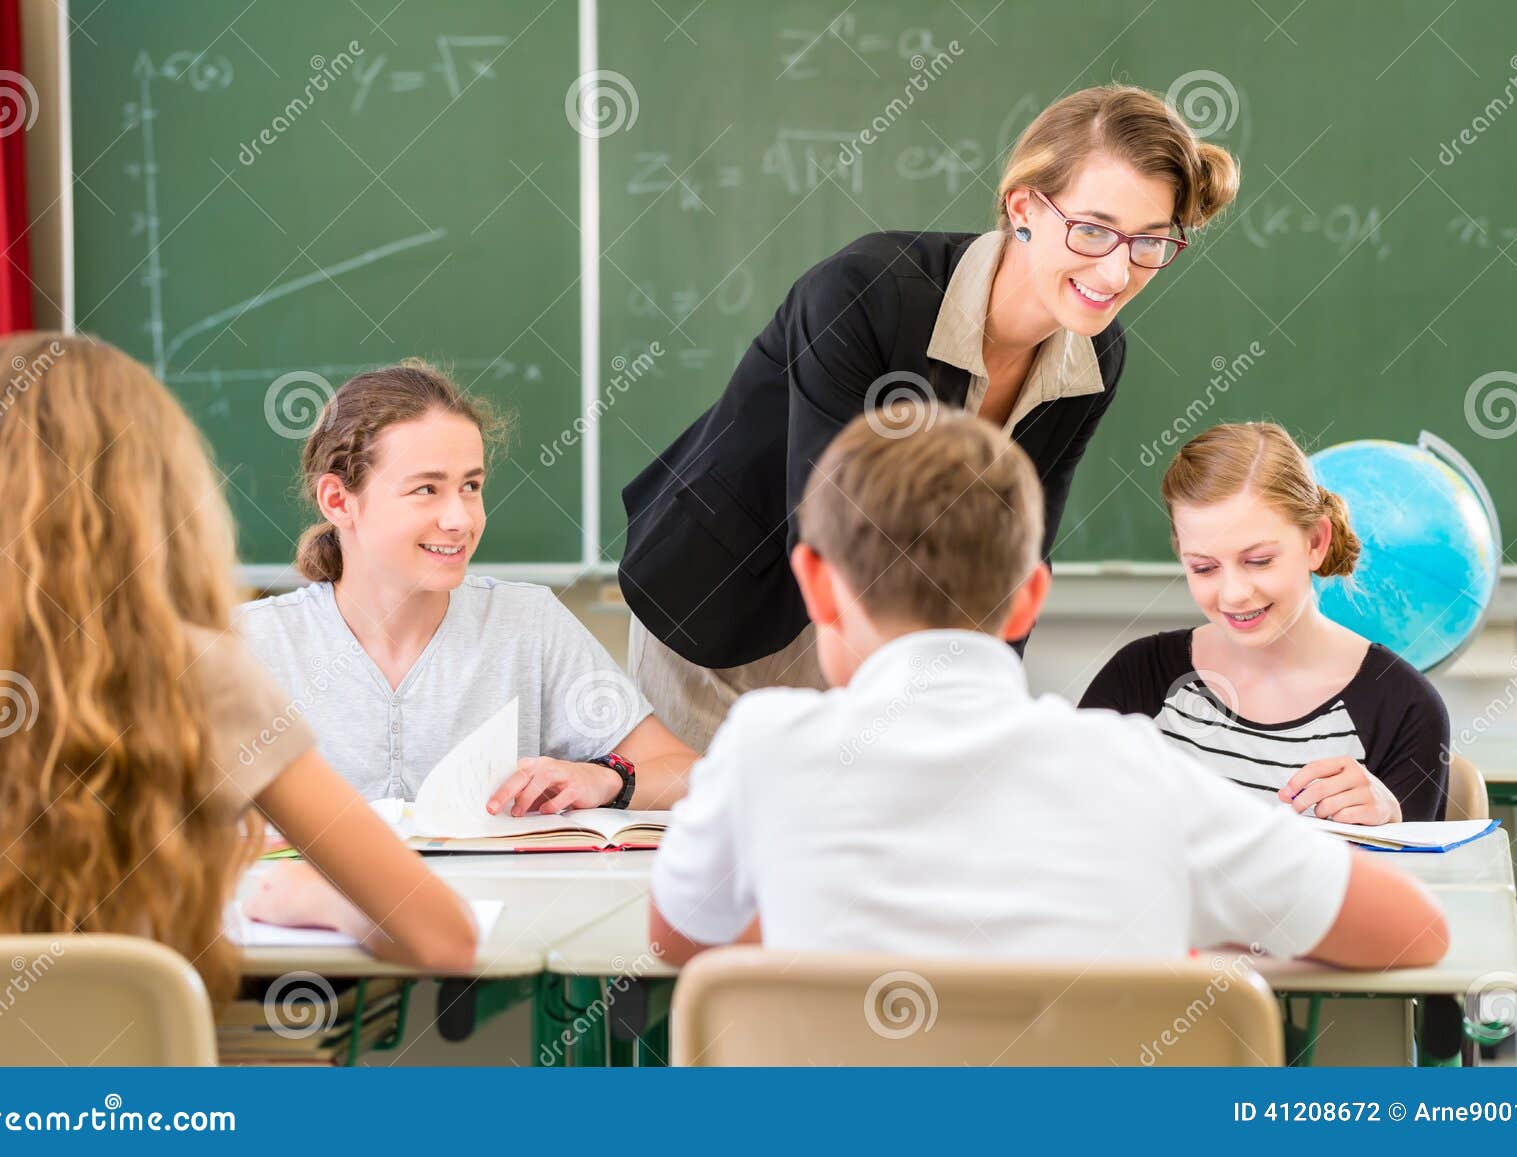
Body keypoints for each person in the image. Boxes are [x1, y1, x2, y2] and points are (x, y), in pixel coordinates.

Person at [647, 413, 1448, 970]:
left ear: (816, 587)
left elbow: (679, 939)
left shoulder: (759, 747)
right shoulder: (1136, 765)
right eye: (1204, 564)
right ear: (1031, 595)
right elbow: (1417, 932)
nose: (1231, 589)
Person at [619, 84, 1241, 754]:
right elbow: (827, 524)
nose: (1117, 270)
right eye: (1092, 229)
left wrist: (981, 706)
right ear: (1025, 205)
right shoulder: (870, 292)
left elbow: (1021, 548)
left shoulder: (1094, 358)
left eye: (1149, 241)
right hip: (726, 606)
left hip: (884, 643)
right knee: (706, 838)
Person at [0, 333, 477, 1003]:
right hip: (145, 1106)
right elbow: (445, 936)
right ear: (152, 494)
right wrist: (323, 900)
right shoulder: (201, 676)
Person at [237, 360, 696, 818]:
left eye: (471, 485)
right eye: (426, 490)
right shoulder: (255, 645)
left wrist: (606, 776)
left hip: (496, 894)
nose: (460, 520)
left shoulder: (527, 624)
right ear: (338, 501)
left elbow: (687, 772)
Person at [1081, 422, 1449, 824]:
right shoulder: (1136, 679)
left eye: (1259, 561)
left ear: (1315, 543)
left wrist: (1393, 828)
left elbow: (1415, 884)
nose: (1233, 594)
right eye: (1204, 568)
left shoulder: (1405, 707)